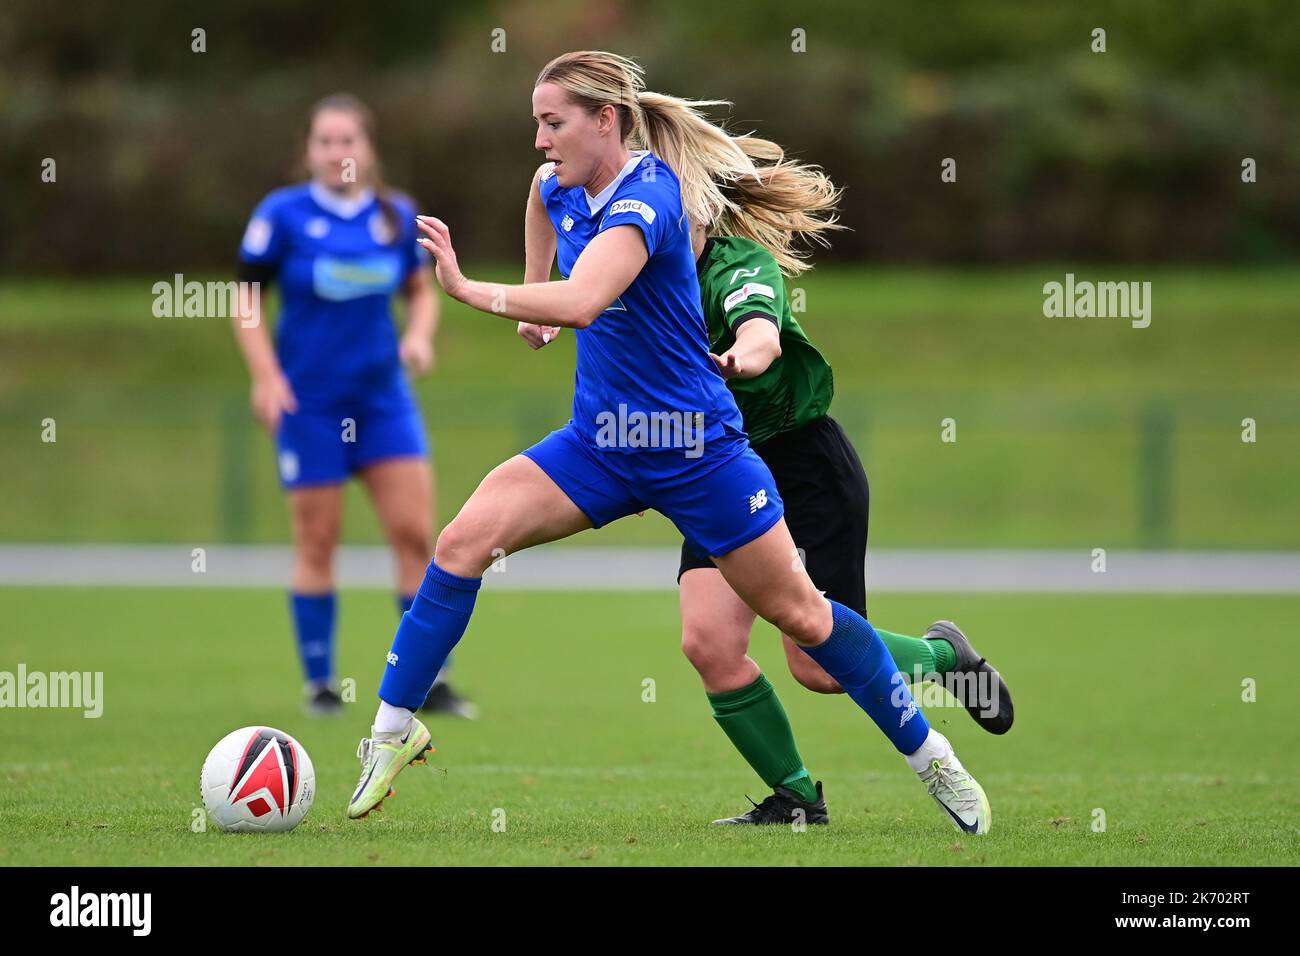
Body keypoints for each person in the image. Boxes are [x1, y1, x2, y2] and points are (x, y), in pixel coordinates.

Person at [347, 52, 990, 836]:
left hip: (699, 453)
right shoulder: (562, 181)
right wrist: (531, 285)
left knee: (807, 622)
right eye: (537, 124)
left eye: (554, 123)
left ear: (605, 120)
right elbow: (540, 201)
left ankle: (935, 762)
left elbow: (587, 301)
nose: (541, 142)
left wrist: (472, 289)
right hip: (602, 446)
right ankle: (388, 730)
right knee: (461, 542)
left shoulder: (650, 197)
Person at [526, 121, 1015, 825]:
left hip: (798, 464)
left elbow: (758, 326)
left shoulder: (735, 264)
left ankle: (943, 658)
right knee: (708, 645)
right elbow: (546, 209)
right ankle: (795, 799)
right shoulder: (621, 263)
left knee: (815, 664)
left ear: (691, 206)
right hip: (710, 468)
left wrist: (744, 357)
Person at [231, 93, 474, 718]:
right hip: (309, 403)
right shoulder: (282, 215)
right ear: (308, 151)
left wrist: (419, 336)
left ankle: (430, 680)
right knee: (318, 539)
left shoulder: (397, 216)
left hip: (383, 402)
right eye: (326, 141)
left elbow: (421, 292)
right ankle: (320, 684)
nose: (339, 151)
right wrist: (265, 377)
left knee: (418, 536)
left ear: (368, 149)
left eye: (349, 140)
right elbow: (247, 300)